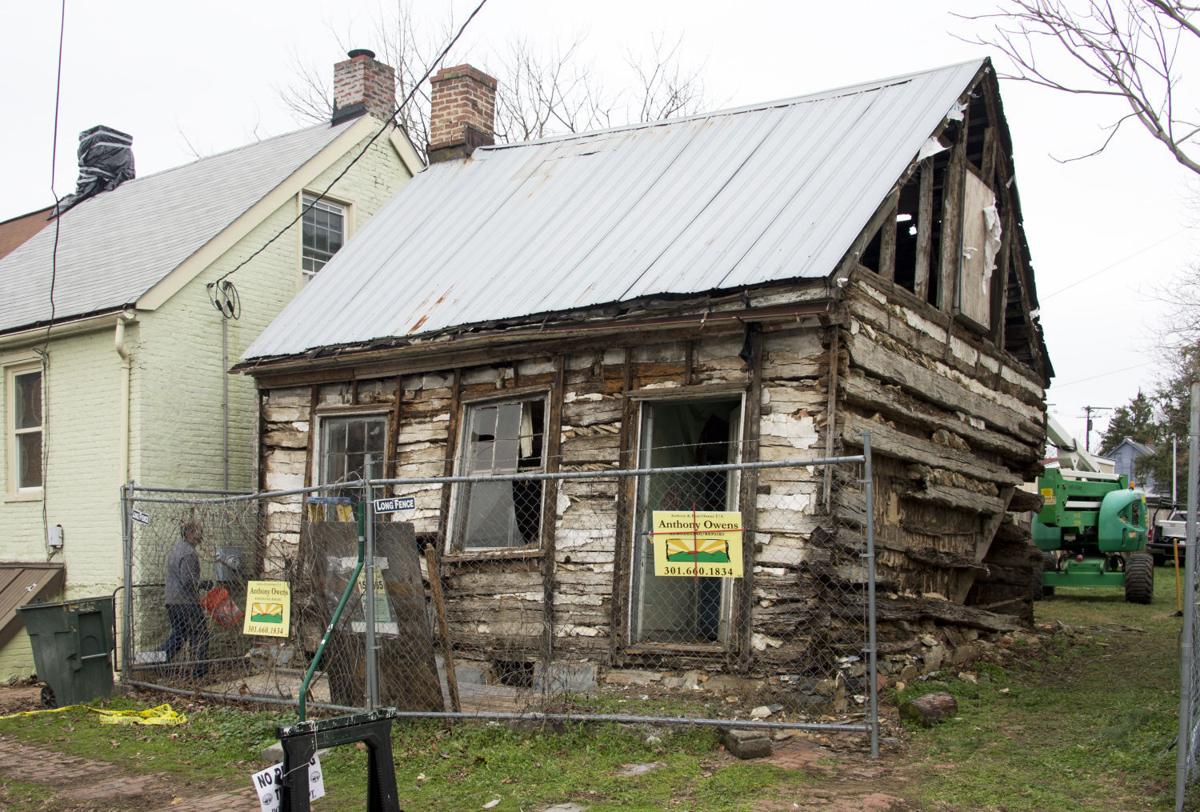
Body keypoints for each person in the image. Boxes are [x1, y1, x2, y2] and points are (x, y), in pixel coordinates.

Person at [162, 519, 209, 678]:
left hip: (172, 600)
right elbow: (188, 581)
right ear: (189, 533)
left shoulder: (176, 548)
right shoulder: (189, 553)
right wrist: (204, 584)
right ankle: (200, 671)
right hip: (185, 602)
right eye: (199, 532)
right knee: (201, 634)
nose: (201, 536)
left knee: (179, 636)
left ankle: (153, 660)